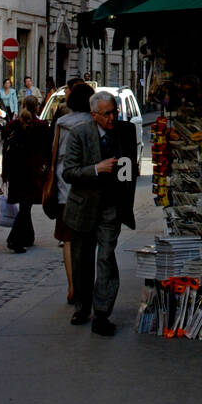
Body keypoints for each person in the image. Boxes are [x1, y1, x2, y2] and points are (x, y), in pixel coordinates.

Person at [62, 90, 138, 335]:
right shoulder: (79, 134)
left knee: (106, 257)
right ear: (94, 115)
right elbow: (69, 172)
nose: (112, 118)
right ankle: (82, 307)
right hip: (83, 208)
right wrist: (96, 169)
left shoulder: (125, 131)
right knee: (82, 260)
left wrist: (125, 196)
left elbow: (129, 168)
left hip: (111, 207)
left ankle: (102, 313)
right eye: (107, 114)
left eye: (114, 111)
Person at [51, 80, 94, 304]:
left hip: (62, 189)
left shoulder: (61, 123)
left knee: (68, 240)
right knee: (87, 240)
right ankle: (85, 285)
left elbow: (54, 154)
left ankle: (72, 287)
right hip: (86, 190)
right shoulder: (93, 123)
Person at [2, 97, 52, 253]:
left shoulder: (13, 125)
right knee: (25, 205)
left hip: (16, 170)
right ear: (36, 108)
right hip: (32, 170)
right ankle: (14, 239)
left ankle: (28, 236)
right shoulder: (41, 126)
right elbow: (47, 149)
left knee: (25, 204)